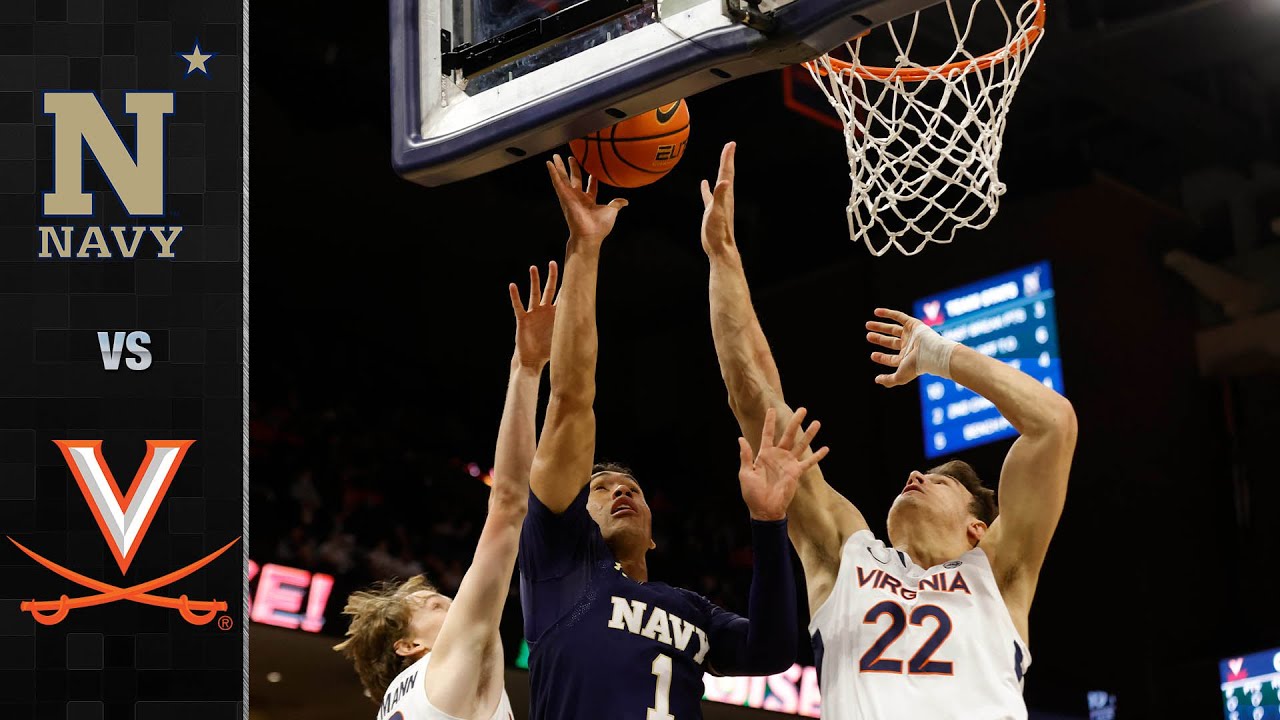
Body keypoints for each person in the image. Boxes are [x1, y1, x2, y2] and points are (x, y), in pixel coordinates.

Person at [701, 141, 1078, 719]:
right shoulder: (847, 556)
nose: (912, 476)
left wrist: (941, 353)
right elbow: (754, 400)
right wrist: (723, 256)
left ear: (980, 528)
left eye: (938, 481)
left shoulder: (998, 572)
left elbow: (1052, 424)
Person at [519, 155, 824, 720]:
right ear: (570, 513)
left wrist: (768, 525)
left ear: (655, 538)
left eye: (628, 486)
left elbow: (775, 649)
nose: (620, 491)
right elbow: (570, 401)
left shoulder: (689, 609)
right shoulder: (559, 568)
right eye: (601, 486)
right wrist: (584, 250)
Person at [334, 262, 559, 720]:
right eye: (438, 604)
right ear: (409, 645)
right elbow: (509, 504)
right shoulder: (445, 667)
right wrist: (527, 367)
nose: (456, 603)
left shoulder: (396, 705)